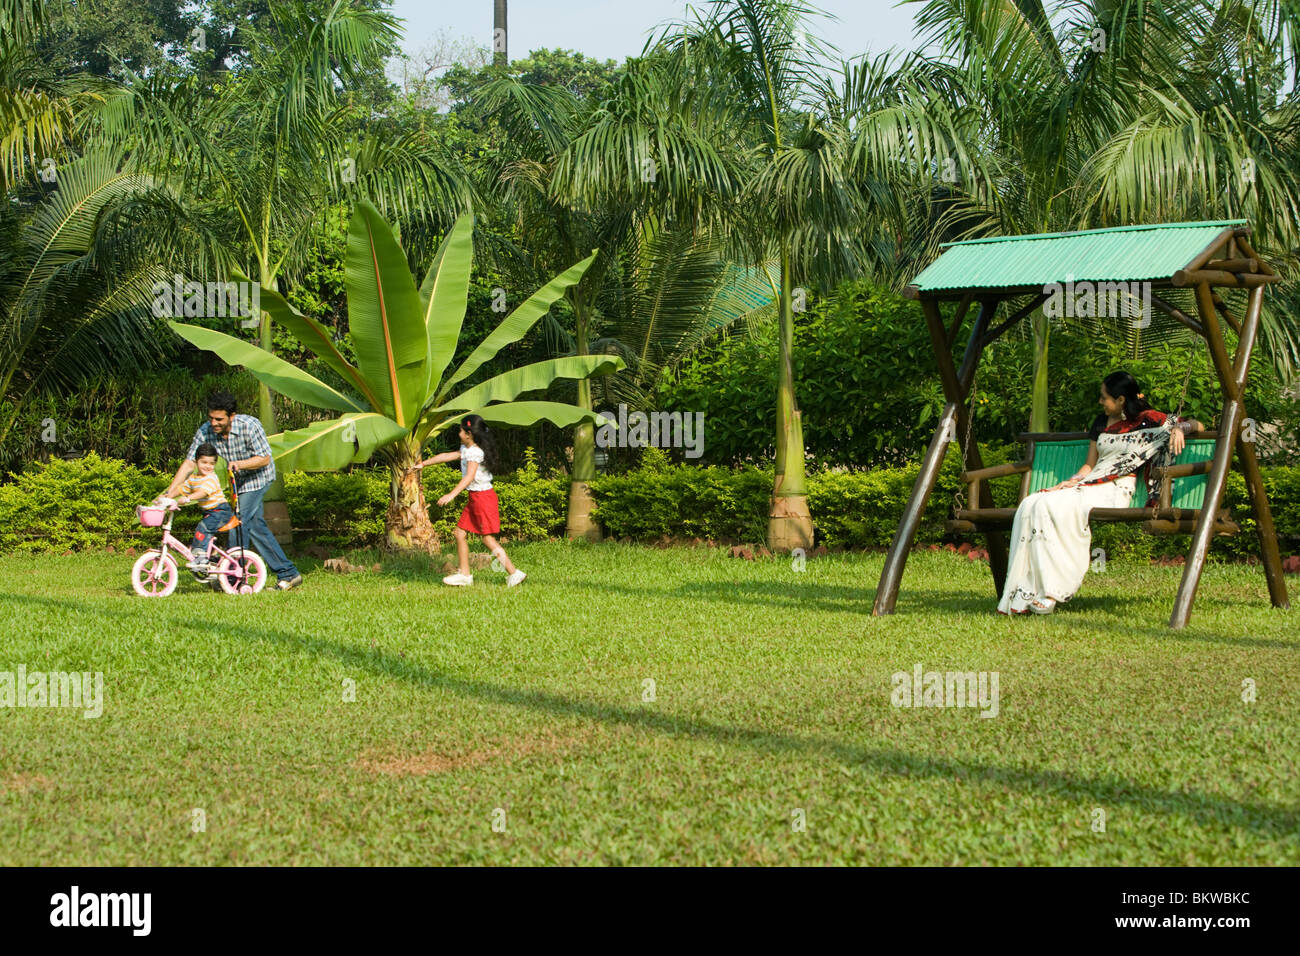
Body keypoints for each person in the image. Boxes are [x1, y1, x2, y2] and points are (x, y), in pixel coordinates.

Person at [998, 371, 1203, 615]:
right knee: (1035, 502)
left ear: (1121, 401)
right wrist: (1069, 482)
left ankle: (1053, 591)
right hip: (1092, 484)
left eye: (1104, 398)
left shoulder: (1149, 420)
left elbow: (1198, 424)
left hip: (1116, 490)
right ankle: (1026, 591)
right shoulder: (1100, 423)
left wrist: (1181, 428)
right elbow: (1089, 465)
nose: (1100, 402)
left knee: (1054, 507)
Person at [163, 391, 303, 590]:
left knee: (237, 522)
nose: (214, 423)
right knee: (254, 526)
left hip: (258, 477)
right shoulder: (206, 431)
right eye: (211, 418)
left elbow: (264, 458)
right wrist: (170, 493)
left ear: (232, 416)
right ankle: (288, 574)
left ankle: (233, 578)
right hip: (237, 481)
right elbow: (188, 464)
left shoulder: (249, 426)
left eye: (219, 419)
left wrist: (241, 464)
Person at [414, 415, 526, 588]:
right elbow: (448, 455)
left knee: (487, 539)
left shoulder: (475, 452)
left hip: (483, 499)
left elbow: (469, 477)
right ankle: (465, 575)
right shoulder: (467, 448)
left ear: (468, 434)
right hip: (476, 498)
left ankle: (514, 572)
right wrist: (424, 464)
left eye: (460, 430)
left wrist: (451, 495)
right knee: (459, 534)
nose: (458, 432)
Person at [153, 442, 232, 571]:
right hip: (210, 512)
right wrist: (167, 497)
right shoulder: (194, 478)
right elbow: (181, 489)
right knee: (201, 530)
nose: (208, 466)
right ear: (196, 462)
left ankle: (201, 560)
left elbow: (203, 492)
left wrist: (189, 498)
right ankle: (206, 555)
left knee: (203, 528)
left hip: (220, 511)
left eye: (211, 463)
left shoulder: (211, 478)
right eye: (204, 462)